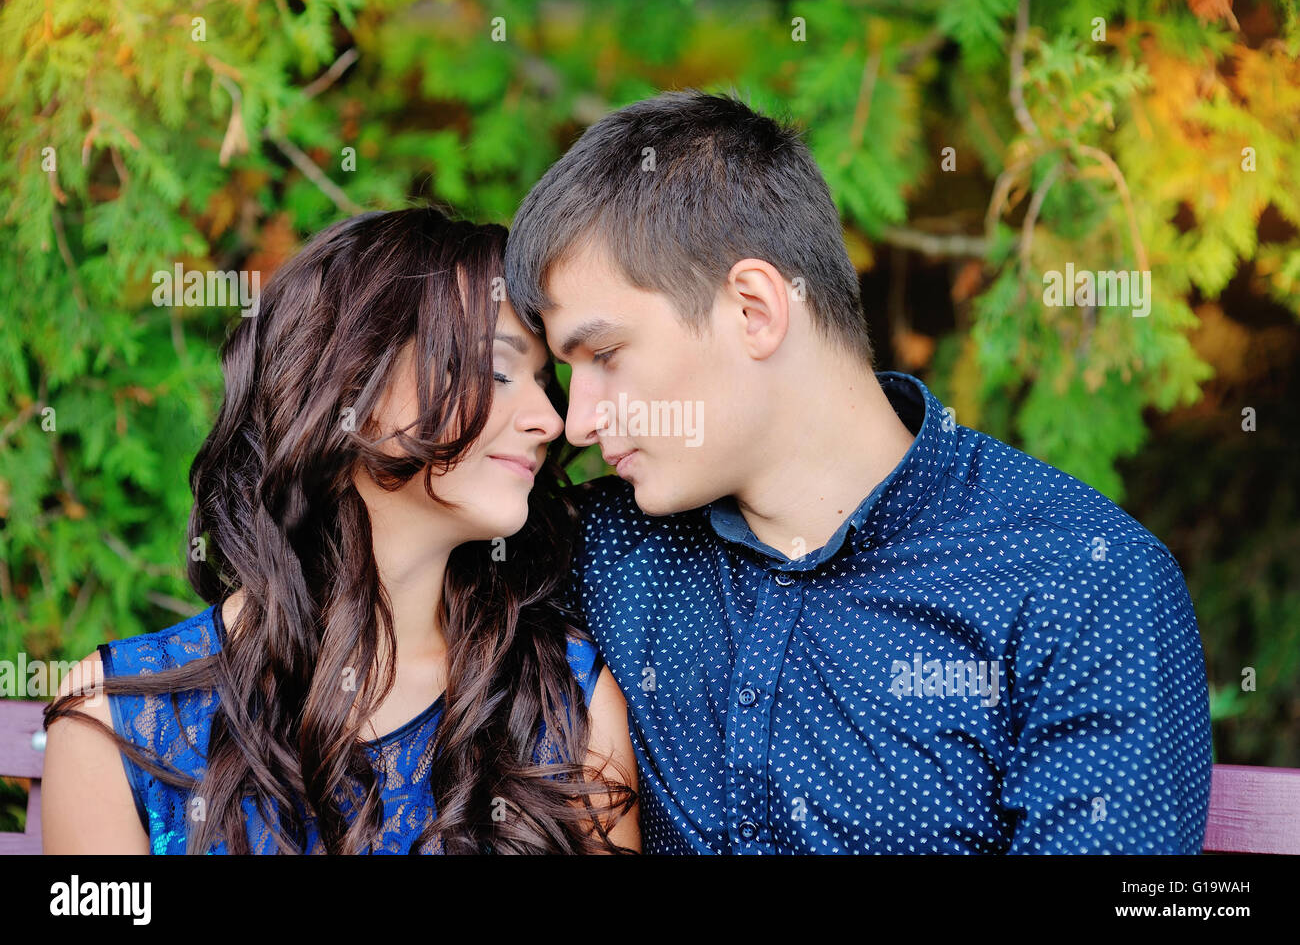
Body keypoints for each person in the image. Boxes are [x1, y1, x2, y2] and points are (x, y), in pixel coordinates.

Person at [502, 89, 1213, 854]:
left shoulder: (1081, 583)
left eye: (605, 356)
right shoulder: (603, 549)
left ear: (753, 309)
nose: (579, 421)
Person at [42, 207, 639, 854]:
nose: (550, 420)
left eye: (543, 382)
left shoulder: (562, 698)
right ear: (356, 383)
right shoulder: (117, 727)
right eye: (497, 371)